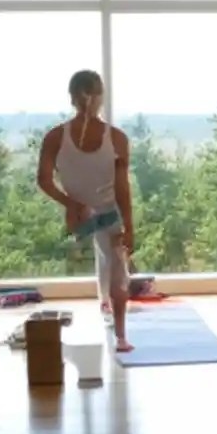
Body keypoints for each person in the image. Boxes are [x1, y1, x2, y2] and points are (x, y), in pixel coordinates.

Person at [37, 71, 136, 352]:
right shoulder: (117, 138)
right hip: (94, 214)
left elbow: (44, 181)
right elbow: (122, 188)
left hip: (83, 215)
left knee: (109, 255)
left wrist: (71, 203)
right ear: (101, 97)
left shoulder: (55, 137)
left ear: (72, 98)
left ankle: (108, 307)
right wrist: (129, 225)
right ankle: (120, 334)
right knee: (115, 262)